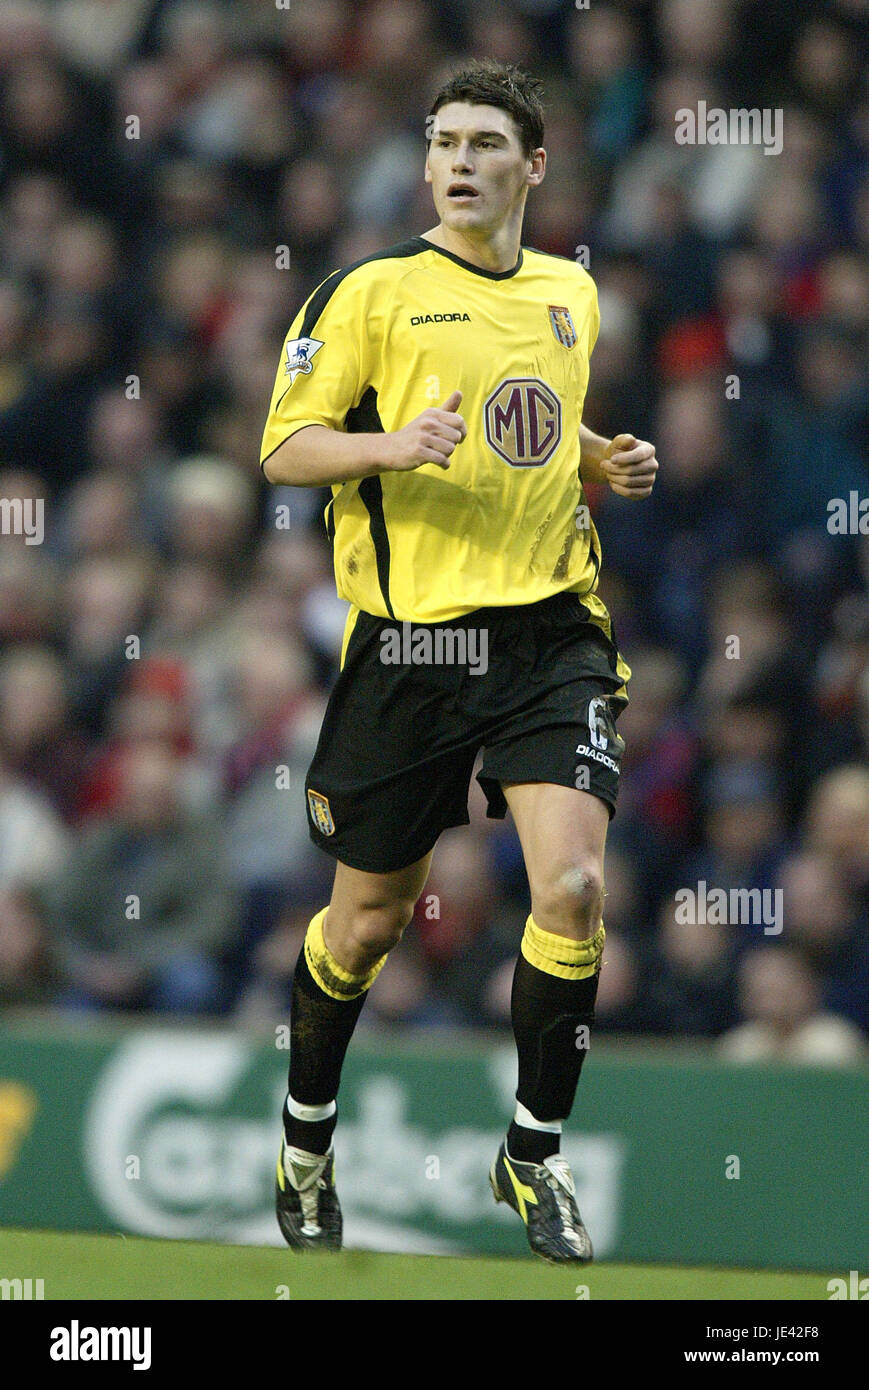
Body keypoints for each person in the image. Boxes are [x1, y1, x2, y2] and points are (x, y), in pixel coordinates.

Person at [260, 60, 659, 1264]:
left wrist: (597, 459)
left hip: (547, 632)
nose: (460, 162)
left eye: (486, 142)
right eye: (443, 142)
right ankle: (304, 1141)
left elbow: (526, 406)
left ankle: (530, 1155)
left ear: (532, 165)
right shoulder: (370, 292)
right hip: (413, 645)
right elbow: (284, 449)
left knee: (576, 892)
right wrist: (391, 442)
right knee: (365, 923)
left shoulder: (566, 293)